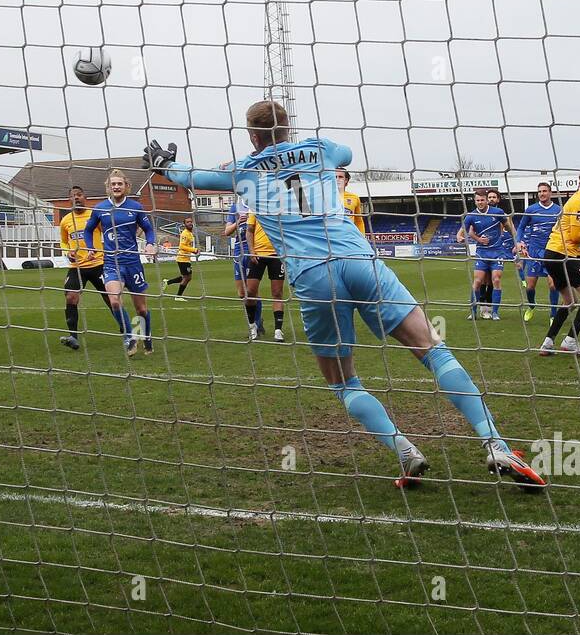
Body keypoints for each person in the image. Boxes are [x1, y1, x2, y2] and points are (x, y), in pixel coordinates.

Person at [147, 100, 545, 488]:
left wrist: (166, 164)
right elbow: (347, 152)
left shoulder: (244, 170)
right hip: (359, 260)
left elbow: (190, 178)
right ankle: (496, 443)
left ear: (252, 136)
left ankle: (406, 452)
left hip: (314, 277)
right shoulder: (320, 149)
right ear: (288, 128)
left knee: (344, 382)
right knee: (434, 350)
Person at [83, 170, 157, 357]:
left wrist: (150, 244)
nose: (116, 187)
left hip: (132, 263)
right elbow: (88, 230)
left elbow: (149, 229)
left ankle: (146, 336)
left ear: (126, 186)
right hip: (111, 262)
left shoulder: (136, 207)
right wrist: (91, 247)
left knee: (141, 308)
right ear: (108, 187)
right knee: (114, 300)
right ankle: (130, 335)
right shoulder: (100, 208)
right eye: (113, 184)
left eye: (119, 184)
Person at [539, 171, 580, 358]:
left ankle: (548, 342)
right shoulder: (579, 203)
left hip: (552, 253)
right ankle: (570, 341)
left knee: (570, 301)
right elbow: (576, 236)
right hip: (564, 255)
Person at [57, 185, 113, 350]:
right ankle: (73, 336)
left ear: (84, 197)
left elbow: (108, 234)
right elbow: (64, 241)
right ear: (70, 200)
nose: (77, 198)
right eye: (73, 196)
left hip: (99, 264)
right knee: (71, 297)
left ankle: (126, 331)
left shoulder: (95, 215)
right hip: (77, 267)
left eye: (79, 195)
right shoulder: (66, 220)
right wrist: (67, 252)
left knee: (112, 299)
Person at [514, 183, 561, 323]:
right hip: (534, 252)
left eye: (544, 191)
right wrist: (518, 241)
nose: (542, 193)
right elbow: (521, 227)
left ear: (550, 193)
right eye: (539, 191)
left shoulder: (559, 210)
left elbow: (566, 229)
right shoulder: (531, 210)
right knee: (530, 287)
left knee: (553, 285)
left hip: (552, 251)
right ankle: (531, 305)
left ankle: (553, 315)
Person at [460, 190, 510, 320]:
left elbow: (509, 227)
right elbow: (461, 233)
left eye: (482, 200)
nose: (480, 202)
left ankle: (495, 312)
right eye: (477, 200)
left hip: (497, 252)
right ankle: (473, 312)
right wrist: (464, 238)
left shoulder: (498, 213)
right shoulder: (471, 216)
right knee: (477, 282)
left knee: (496, 280)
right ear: (475, 201)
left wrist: (517, 240)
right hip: (482, 253)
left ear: (486, 200)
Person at [245, 212, 287, 341]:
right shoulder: (255, 208)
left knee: (277, 292)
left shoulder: (282, 209)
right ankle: (252, 326)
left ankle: (278, 330)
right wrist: (251, 251)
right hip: (258, 255)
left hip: (277, 255)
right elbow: (249, 230)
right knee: (250, 292)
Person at [224, 197, 263, 335]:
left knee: (252, 291)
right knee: (242, 293)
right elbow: (227, 232)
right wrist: (238, 223)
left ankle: (256, 325)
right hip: (238, 253)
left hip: (253, 252)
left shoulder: (258, 204)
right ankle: (257, 320)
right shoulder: (235, 207)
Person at [164, 216, 198, 299]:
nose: (190, 223)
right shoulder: (185, 234)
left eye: (190, 222)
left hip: (186, 258)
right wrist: (194, 250)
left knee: (186, 277)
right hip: (182, 259)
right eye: (187, 222)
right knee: (187, 278)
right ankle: (178, 296)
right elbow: (182, 246)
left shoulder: (190, 233)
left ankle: (168, 282)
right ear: (184, 224)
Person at [336, 169, 367, 236]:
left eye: (340, 177)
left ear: (346, 180)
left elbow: (359, 221)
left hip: (348, 236)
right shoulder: (324, 197)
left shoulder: (354, 198)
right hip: (331, 237)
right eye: (335, 177)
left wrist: (362, 237)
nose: (337, 179)